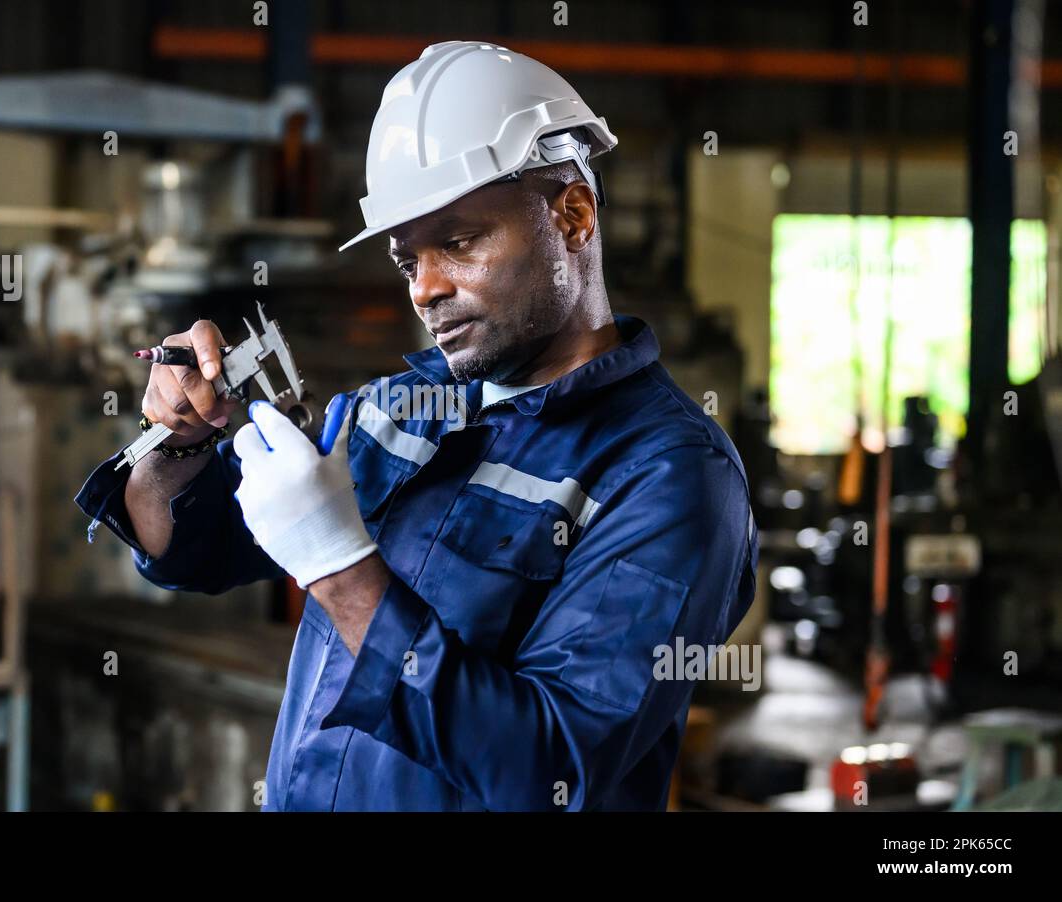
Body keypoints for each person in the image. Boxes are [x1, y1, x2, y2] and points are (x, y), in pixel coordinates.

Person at [77, 40, 757, 810]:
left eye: (459, 243)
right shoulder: (395, 411)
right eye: (407, 262)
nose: (426, 290)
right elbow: (187, 549)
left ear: (572, 214)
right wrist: (181, 443)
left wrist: (338, 567)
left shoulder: (669, 476)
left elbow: (551, 770)